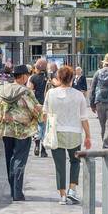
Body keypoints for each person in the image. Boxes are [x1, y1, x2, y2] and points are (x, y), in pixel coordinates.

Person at [0, 64, 43, 202]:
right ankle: (17, 192)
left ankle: (13, 189)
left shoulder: (4, 90)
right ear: (24, 76)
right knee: (19, 159)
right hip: (23, 132)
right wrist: (41, 119)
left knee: (10, 159)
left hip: (6, 131)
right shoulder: (25, 92)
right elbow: (36, 109)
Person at [41, 64, 93, 204]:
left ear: (58, 77)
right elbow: (84, 119)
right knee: (75, 161)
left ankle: (62, 195)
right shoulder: (79, 95)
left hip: (56, 132)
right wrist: (88, 136)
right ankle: (72, 190)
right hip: (74, 132)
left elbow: (44, 114)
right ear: (71, 79)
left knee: (59, 165)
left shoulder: (50, 93)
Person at [29, 59, 50, 156]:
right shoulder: (49, 78)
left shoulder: (33, 78)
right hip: (46, 106)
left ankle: (36, 144)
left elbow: (29, 91)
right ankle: (43, 150)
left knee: (36, 126)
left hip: (36, 106)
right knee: (44, 127)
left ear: (36, 67)